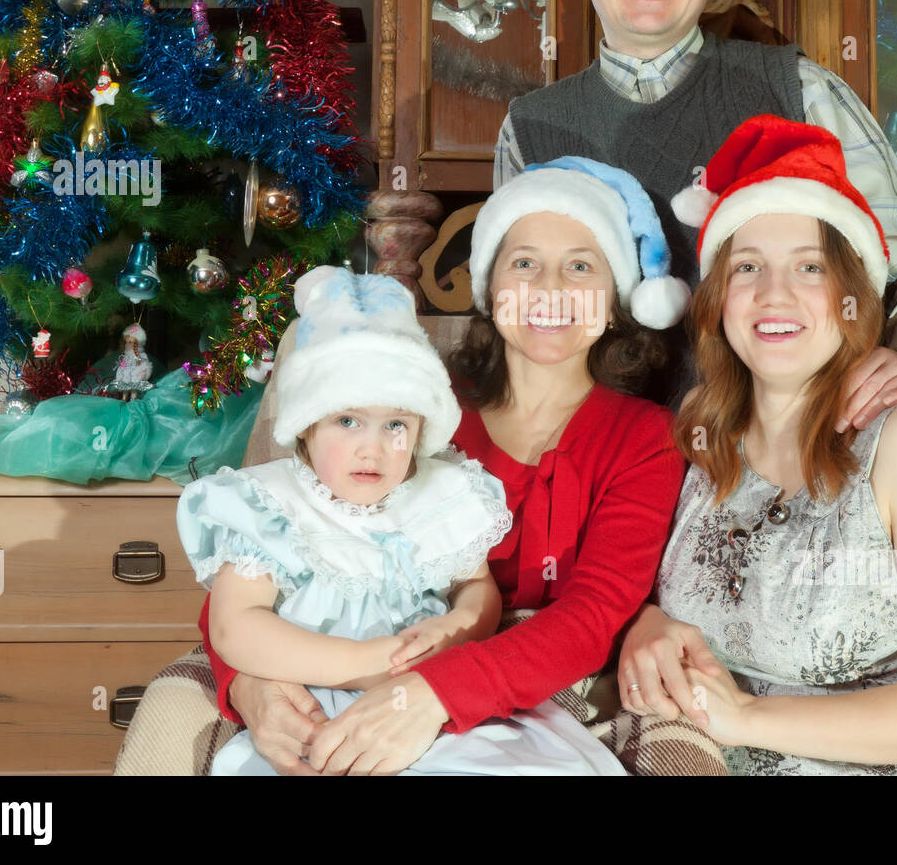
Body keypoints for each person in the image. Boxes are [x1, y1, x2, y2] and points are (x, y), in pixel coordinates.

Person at [198, 158, 688, 774]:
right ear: (488, 288)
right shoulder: (411, 411)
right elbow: (274, 542)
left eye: (581, 266)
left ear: (615, 301)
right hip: (361, 647)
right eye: (524, 263)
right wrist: (247, 685)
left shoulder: (645, 438)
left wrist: (431, 695)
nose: (550, 289)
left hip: (516, 673)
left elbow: (592, 617)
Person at [496, 0, 897, 426]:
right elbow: (525, 326)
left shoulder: (799, 91)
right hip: (629, 467)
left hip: (810, 450)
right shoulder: (530, 128)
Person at [617, 114, 897, 774]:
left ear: (851, 298)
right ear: (719, 300)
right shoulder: (693, 440)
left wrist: (750, 717)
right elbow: (624, 594)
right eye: (747, 267)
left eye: (809, 268)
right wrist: (647, 626)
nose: (773, 294)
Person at [177, 267, 625, 775]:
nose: (373, 446)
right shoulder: (272, 506)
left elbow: (475, 586)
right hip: (318, 702)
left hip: (434, 697)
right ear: (305, 428)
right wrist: (368, 659)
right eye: (347, 421)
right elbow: (235, 627)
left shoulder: (441, 494)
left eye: (396, 424)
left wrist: (459, 625)